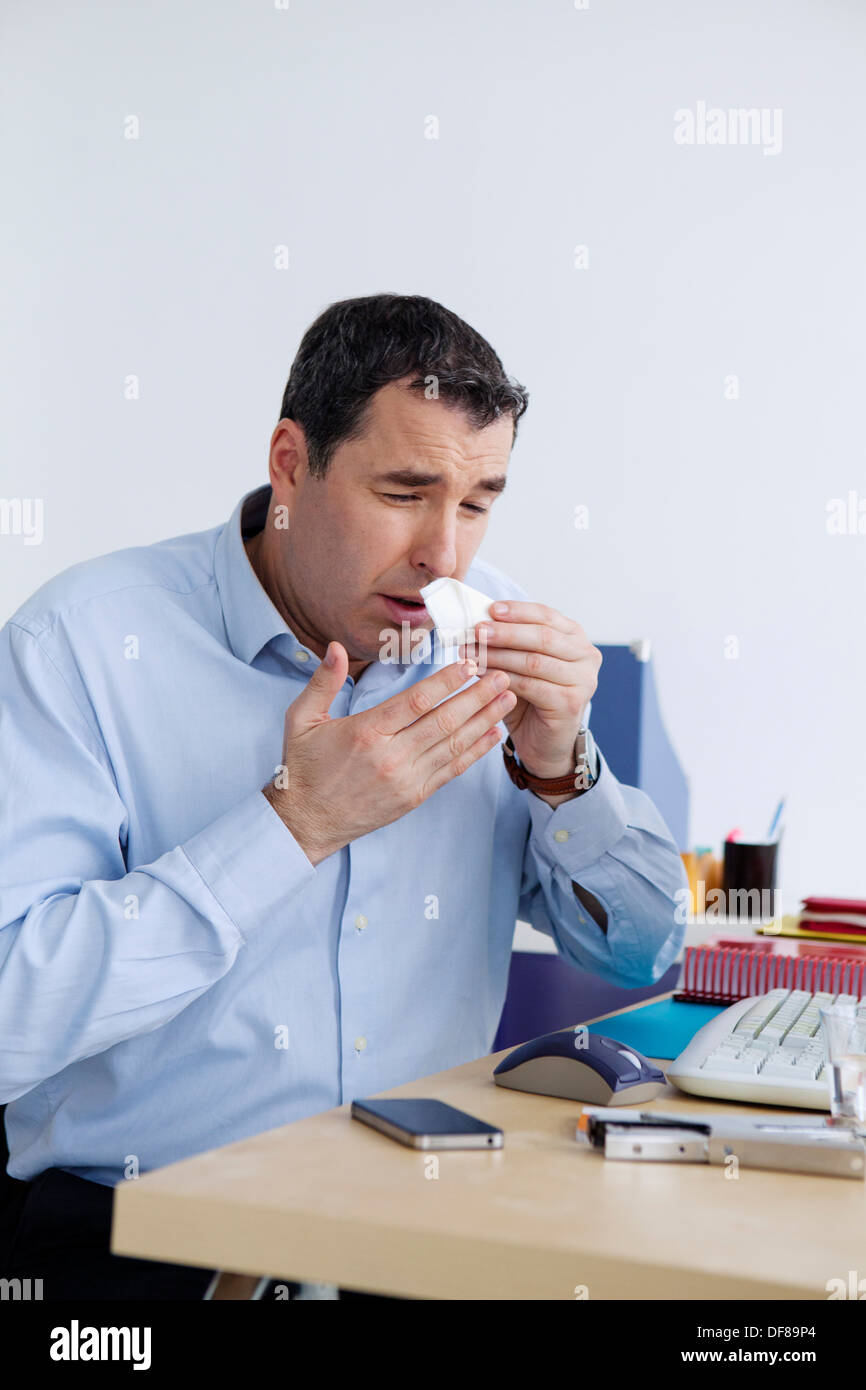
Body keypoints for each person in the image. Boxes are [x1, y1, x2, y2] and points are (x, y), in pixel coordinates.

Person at [0, 293, 687, 1299]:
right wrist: (293, 824)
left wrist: (559, 769)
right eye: (404, 491)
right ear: (290, 463)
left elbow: (646, 949)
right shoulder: (80, 646)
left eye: (478, 499)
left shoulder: (481, 634)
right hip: (135, 1240)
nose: (443, 554)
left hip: (420, 1230)